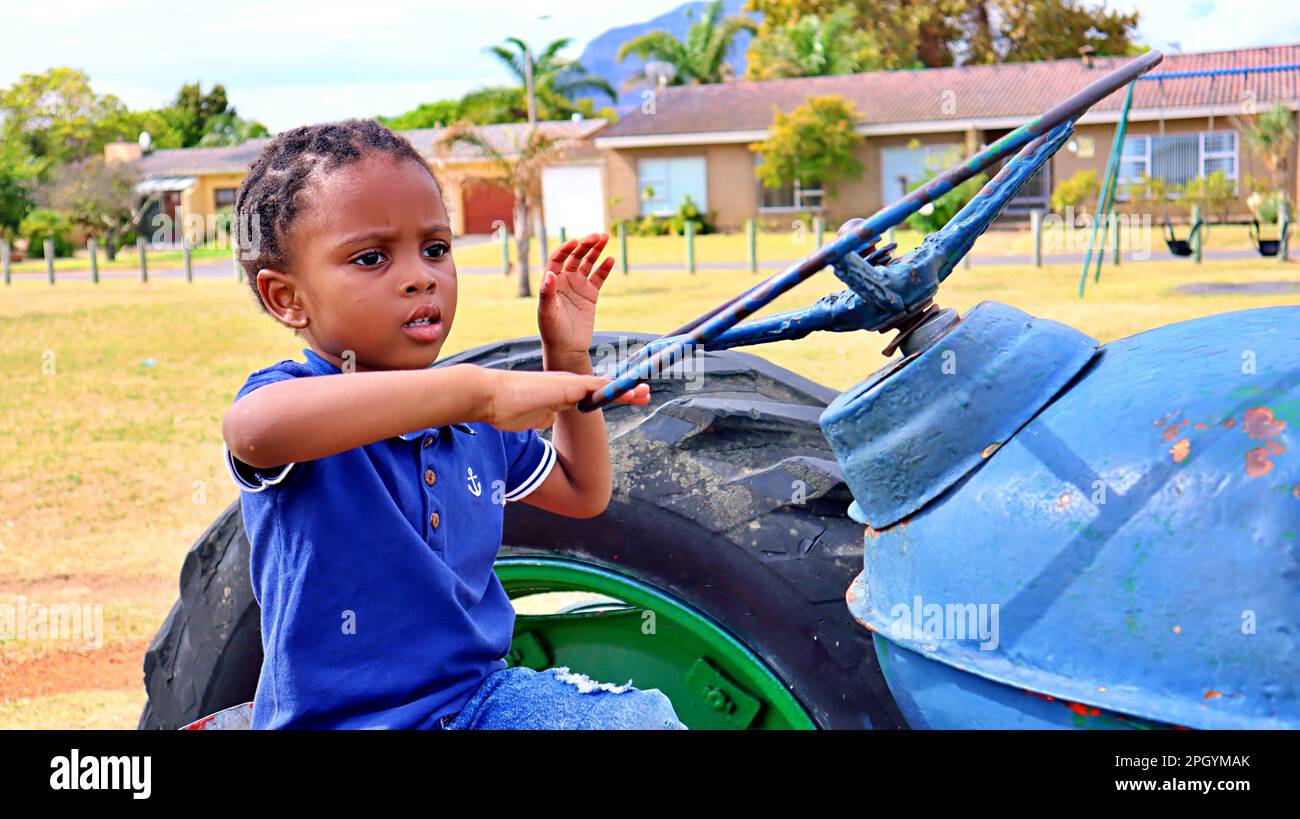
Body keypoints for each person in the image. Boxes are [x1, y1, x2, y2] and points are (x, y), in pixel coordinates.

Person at [221, 119, 684, 730]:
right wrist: (476, 392)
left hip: (476, 703)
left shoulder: (472, 421)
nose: (421, 276)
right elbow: (254, 432)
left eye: (435, 248)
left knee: (638, 722)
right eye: (372, 257)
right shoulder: (297, 400)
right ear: (288, 299)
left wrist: (567, 360)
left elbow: (582, 491)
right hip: (339, 722)